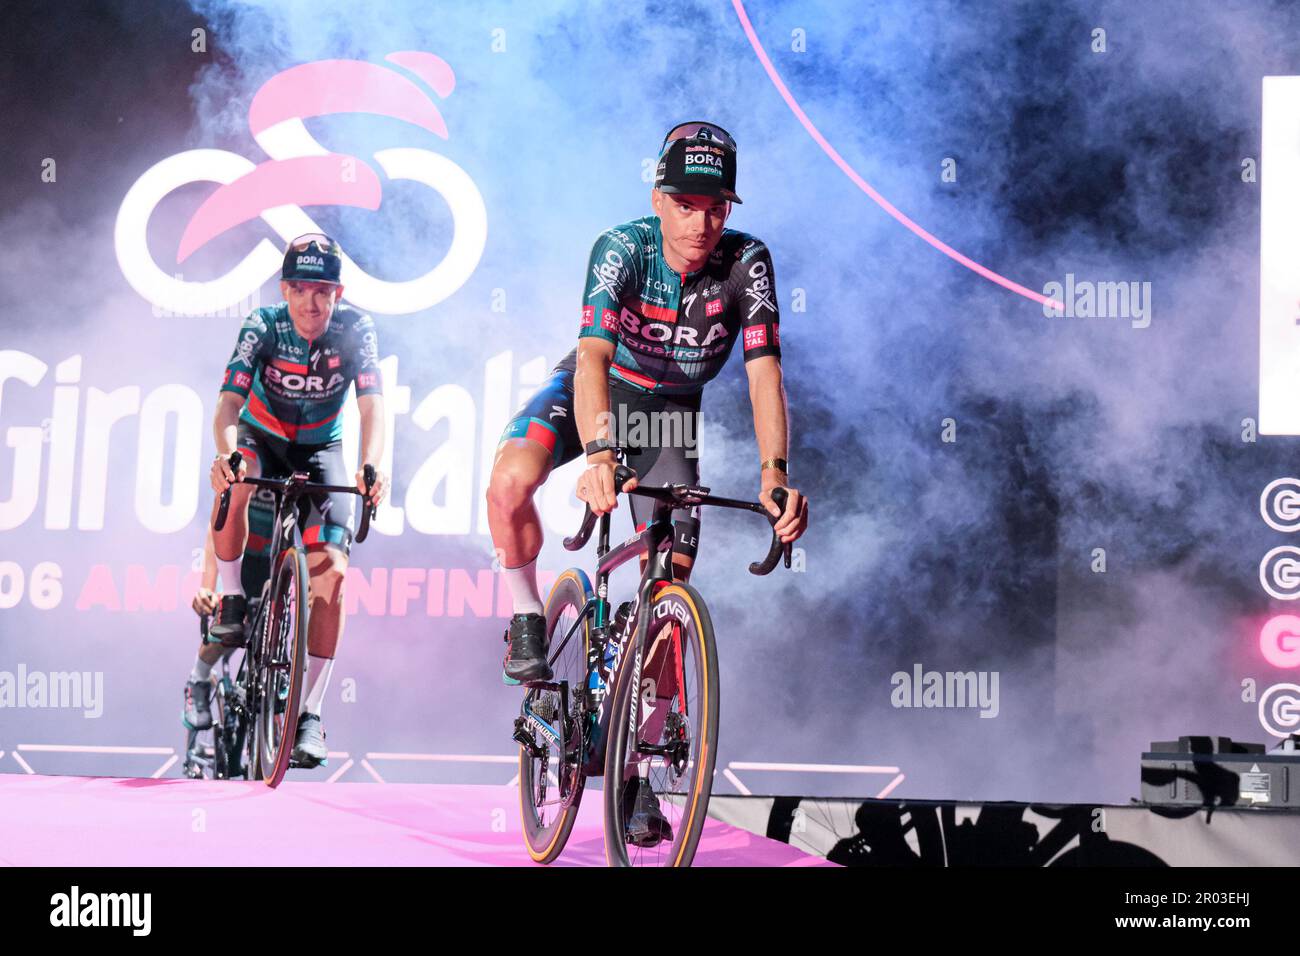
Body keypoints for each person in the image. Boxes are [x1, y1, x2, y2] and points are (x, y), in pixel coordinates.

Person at [486, 121, 809, 842]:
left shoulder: (747, 263)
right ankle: (529, 615)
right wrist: (599, 454)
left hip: (666, 419)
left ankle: (634, 773)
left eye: (718, 206)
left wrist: (775, 476)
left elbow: (765, 374)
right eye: (687, 203)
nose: (702, 222)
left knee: (670, 594)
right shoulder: (622, 247)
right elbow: (593, 358)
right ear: (659, 198)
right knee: (509, 482)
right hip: (596, 391)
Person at [207, 233, 389, 769]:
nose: (313, 303)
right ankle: (234, 596)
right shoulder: (262, 325)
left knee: (332, 572)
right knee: (236, 479)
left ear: (339, 292)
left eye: (324, 291)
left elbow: (375, 407)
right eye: (302, 290)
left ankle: (309, 713)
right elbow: (226, 407)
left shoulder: (357, 329)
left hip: (321, 450)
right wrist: (226, 453)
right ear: (285, 289)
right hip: (260, 439)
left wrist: (373, 464)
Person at [181, 491, 274, 733]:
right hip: (238, 556)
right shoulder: (251, 456)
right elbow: (218, 526)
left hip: (273, 561)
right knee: (233, 618)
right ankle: (198, 679)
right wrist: (207, 586)